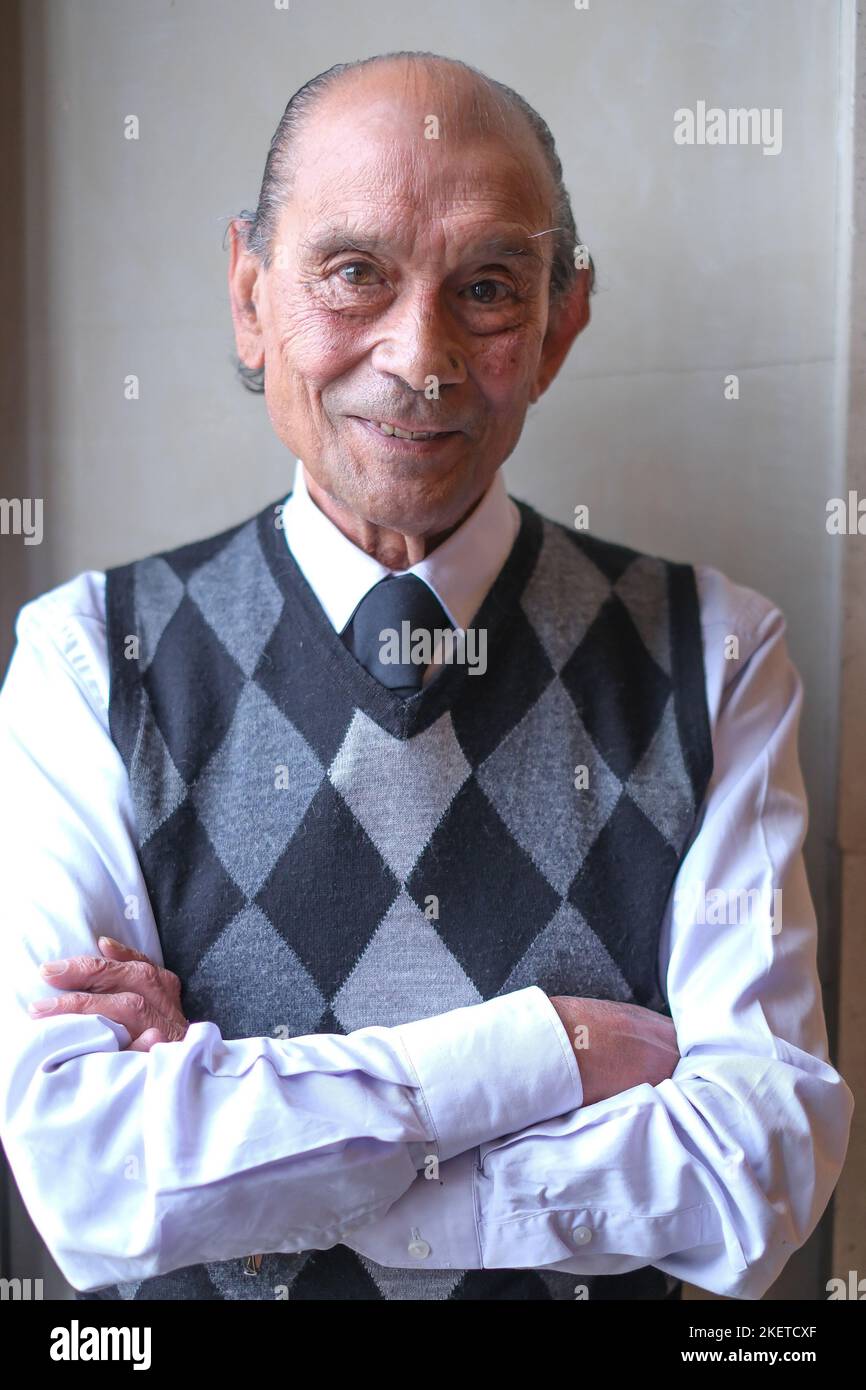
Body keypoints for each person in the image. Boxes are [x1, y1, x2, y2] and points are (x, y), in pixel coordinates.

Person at [0, 50, 852, 1302]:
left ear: (561, 322)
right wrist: (543, 1051)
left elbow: (755, 1169)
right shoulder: (89, 656)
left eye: (489, 289)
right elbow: (90, 1175)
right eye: (353, 273)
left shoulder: (713, 651)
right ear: (248, 291)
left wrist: (243, 1145)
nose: (421, 356)